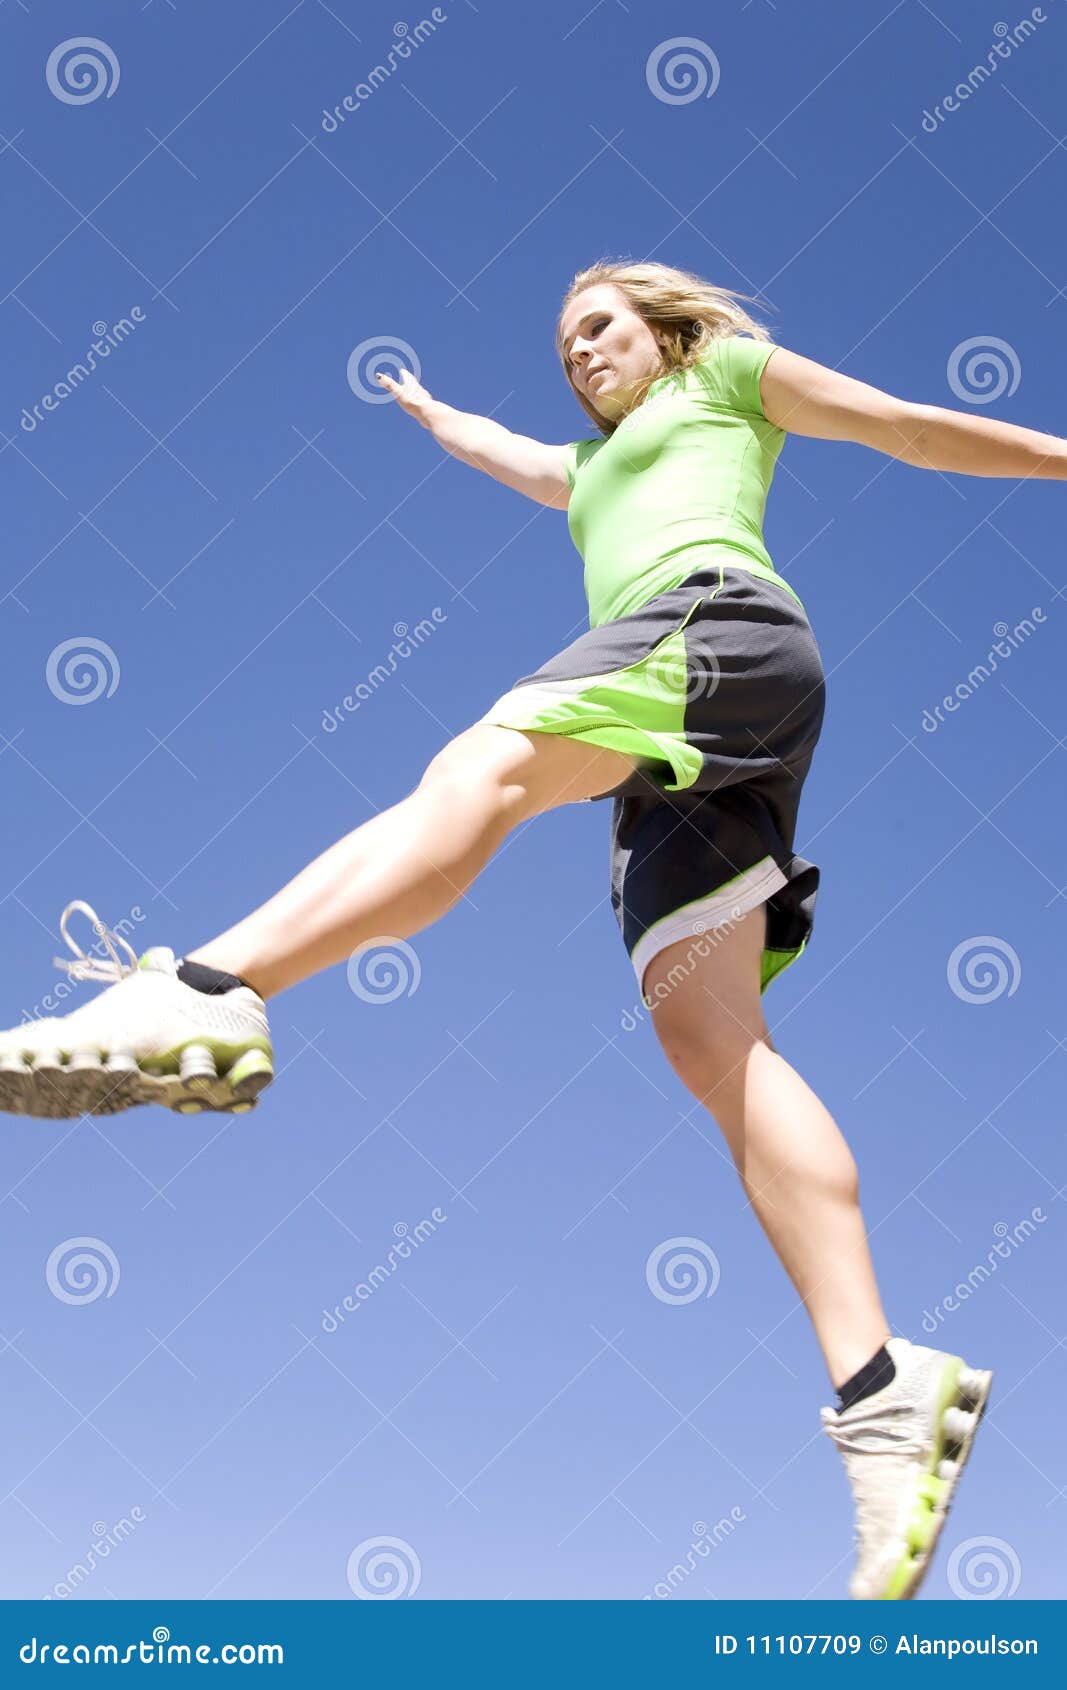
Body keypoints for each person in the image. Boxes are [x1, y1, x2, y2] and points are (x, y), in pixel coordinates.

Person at [9, 256, 1063, 1599]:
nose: (579, 353)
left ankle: (210, 983)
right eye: (564, 344)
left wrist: (1060, 459)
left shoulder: (726, 384)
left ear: (668, 329)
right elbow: (519, 456)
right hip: (691, 735)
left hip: (718, 631)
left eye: (600, 327)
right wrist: (439, 414)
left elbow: (906, 425)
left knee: (481, 768)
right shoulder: (590, 470)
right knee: (712, 1040)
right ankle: (881, 1384)